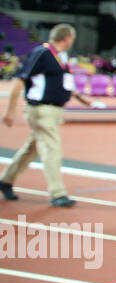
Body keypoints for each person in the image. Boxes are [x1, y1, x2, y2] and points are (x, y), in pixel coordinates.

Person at [1, 24, 104, 206]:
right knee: (52, 148)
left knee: (31, 149)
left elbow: (65, 85)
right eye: (72, 38)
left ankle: (6, 180)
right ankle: (57, 193)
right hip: (42, 110)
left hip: (54, 110)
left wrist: (86, 101)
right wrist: (10, 111)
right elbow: (19, 79)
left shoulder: (61, 58)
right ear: (67, 38)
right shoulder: (42, 53)